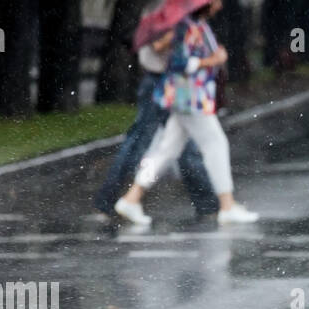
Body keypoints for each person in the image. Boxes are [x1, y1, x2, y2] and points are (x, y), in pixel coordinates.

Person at [114, 0, 258, 227]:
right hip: (188, 97)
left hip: (191, 95)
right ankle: (227, 205)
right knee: (216, 144)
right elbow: (180, 63)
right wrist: (212, 60)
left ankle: (132, 197)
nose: (220, 6)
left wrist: (214, 57)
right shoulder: (186, 26)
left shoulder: (199, 25)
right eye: (216, 2)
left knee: (167, 151)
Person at [93, 11, 220, 220]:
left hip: (173, 84)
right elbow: (158, 45)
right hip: (158, 83)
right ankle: (109, 201)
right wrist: (181, 35)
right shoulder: (164, 15)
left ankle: (208, 204)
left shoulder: (177, 16)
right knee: (140, 143)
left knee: (181, 144)